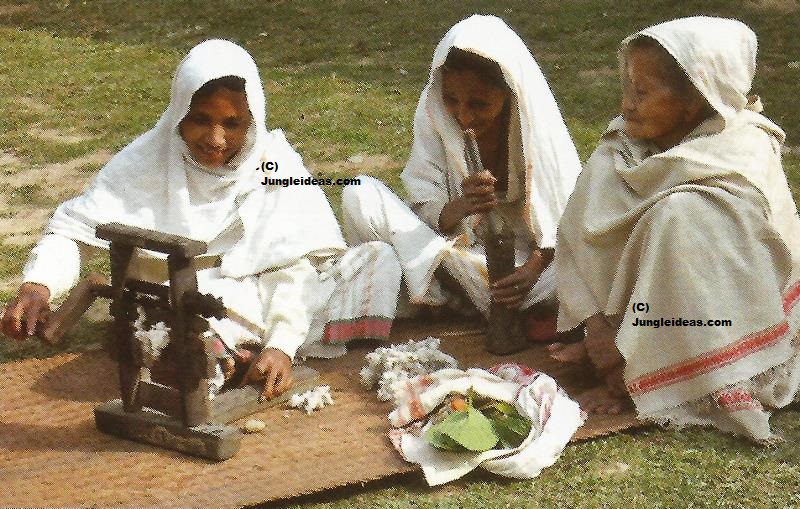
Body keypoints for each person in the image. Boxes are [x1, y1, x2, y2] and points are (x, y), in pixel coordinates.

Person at [0, 40, 401, 400]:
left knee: (377, 260)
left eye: (232, 124)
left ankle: (256, 353)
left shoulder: (275, 163)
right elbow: (72, 230)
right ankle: (216, 354)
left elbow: (297, 267)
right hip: (178, 301)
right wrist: (40, 285)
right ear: (179, 114)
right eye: (200, 120)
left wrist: (282, 342)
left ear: (253, 121)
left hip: (269, 297)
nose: (215, 139)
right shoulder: (147, 160)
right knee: (188, 320)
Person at [551, 17, 800, 441]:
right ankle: (615, 347)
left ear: (694, 101)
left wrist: (627, 352)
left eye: (643, 92)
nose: (627, 104)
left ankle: (655, 370)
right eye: (627, 86)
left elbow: (738, 277)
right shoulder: (625, 148)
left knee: (680, 218)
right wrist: (597, 331)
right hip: (622, 327)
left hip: (722, 322)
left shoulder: (742, 149)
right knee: (601, 174)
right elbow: (577, 237)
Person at [341, 15, 581, 336]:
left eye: (479, 104)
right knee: (359, 192)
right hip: (454, 251)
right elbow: (425, 208)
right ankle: (451, 291)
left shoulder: (535, 124)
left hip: (524, 271)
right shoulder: (434, 112)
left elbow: (572, 224)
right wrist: (462, 205)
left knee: (581, 277)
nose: (464, 116)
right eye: (452, 100)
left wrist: (534, 267)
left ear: (508, 91)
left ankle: (445, 294)